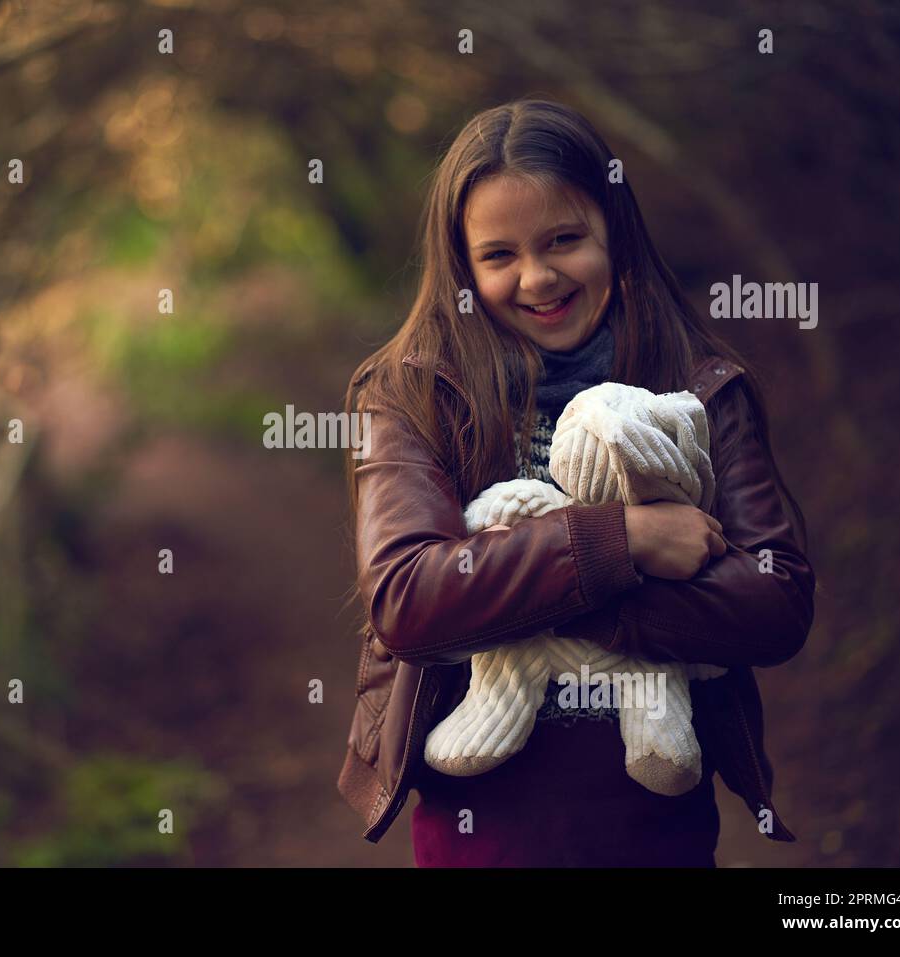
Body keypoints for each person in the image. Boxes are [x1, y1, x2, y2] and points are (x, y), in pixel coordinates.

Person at [339, 98, 815, 867]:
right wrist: (619, 543)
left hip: (658, 832)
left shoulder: (696, 386)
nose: (537, 276)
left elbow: (776, 602)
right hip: (480, 836)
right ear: (462, 264)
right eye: (498, 255)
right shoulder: (411, 395)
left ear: (613, 234)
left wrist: (539, 600)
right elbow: (407, 597)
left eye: (564, 239)